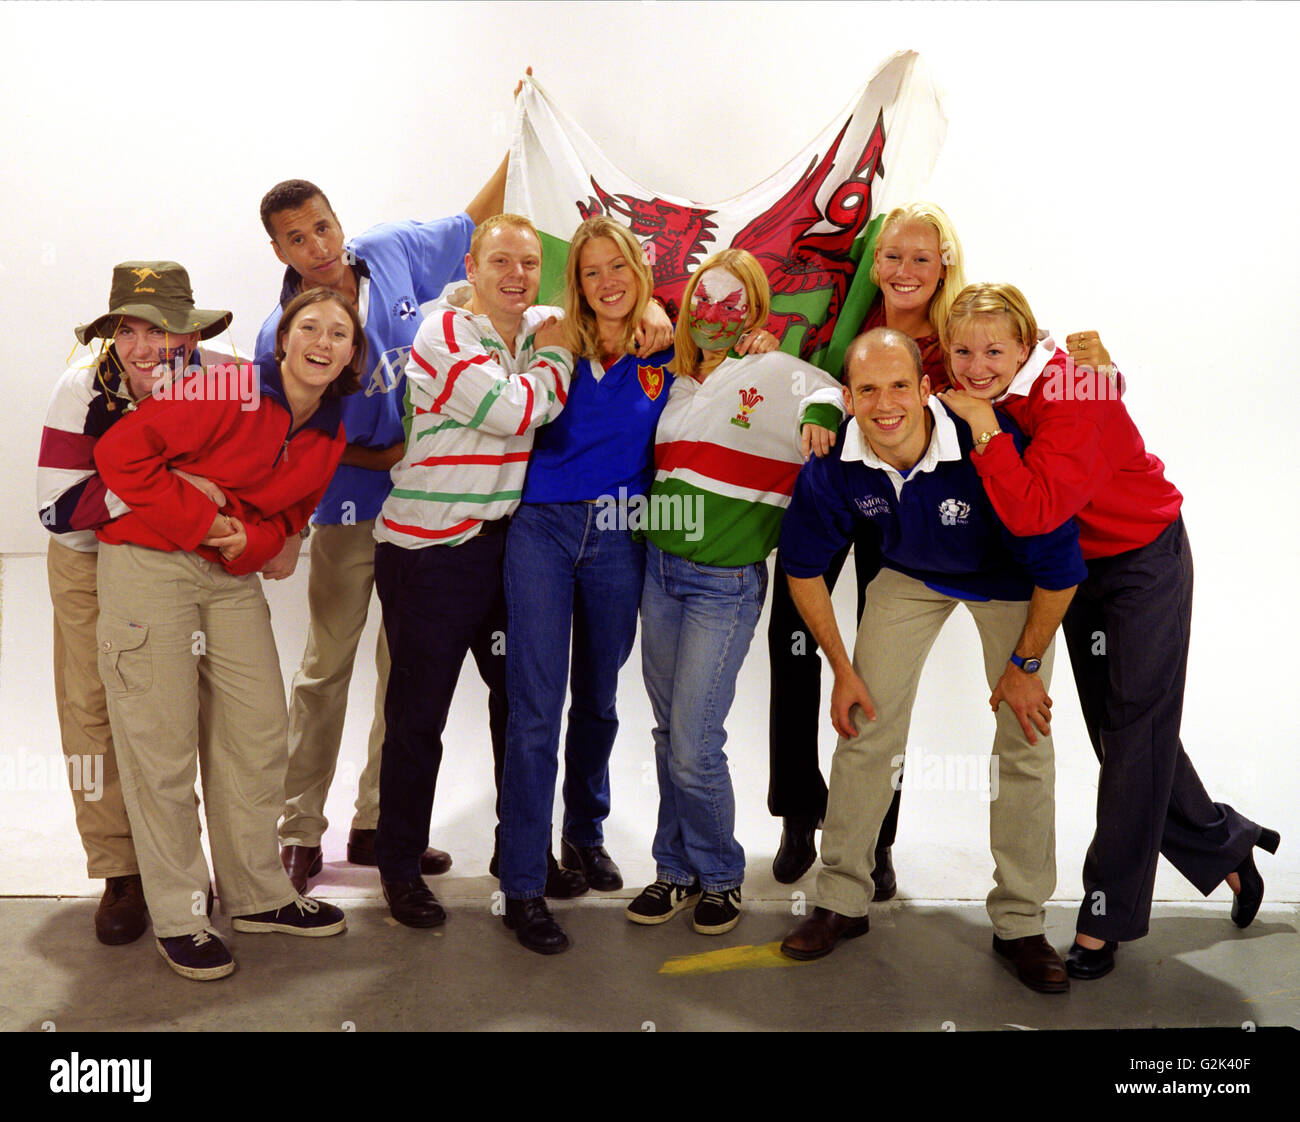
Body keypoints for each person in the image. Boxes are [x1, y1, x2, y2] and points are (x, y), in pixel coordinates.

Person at [939, 282, 1279, 980]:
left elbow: (1034, 508)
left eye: (994, 350)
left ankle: (1105, 919)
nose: (975, 366)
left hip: (1142, 559)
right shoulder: (1006, 387)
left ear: (1027, 346)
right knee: (1124, 733)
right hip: (1076, 570)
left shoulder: (1072, 392)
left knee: (1132, 737)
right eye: (962, 350)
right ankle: (1223, 843)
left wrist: (980, 424)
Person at [777, 328, 1087, 992]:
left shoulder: (991, 447)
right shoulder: (834, 465)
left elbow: (1060, 571)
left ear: (925, 389)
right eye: (867, 389)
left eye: (899, 386)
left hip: (1011, 580)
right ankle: (841, 899)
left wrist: (1025, 668)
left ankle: (1021, 923)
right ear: (848, 397)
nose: (884, 404)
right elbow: (803, 572)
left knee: (1025, 739)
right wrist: (843, 669)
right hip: (911, 574)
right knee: (864, 723)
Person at [92, 286, 361, 980]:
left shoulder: (332, 429)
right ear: (283, 338)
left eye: (340, 334)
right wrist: (210, 520)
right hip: (150, 561)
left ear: (352, 355)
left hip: (227, 572)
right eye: (310, 326)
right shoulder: (230, 386)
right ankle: (182, 914)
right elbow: (122, 455)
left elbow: (289, 527)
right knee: (163, 743)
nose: (322, 342)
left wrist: (246, 530)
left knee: (259, 726)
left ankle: (257, 894)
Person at [258, 156, 509, 892]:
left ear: (340, 219)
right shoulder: (283, 329)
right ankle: (299, 830)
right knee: (326, 667)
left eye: (322, 225)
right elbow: (286, 437)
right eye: (296, 238)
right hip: (343, 511)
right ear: (279, 253)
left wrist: (518, 120)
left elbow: (473, 218)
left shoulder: (392, 249)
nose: (317, 245)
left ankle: (377, 823)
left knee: (403, 674)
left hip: (423, 509)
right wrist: (383, 455)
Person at [370, 213, 577, 933]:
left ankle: (518, 852)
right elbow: (512, 410)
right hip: (428, 553)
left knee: (521, 709)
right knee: (417, 719)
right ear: (473, 265)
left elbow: (595, 310)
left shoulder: (538, 324)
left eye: (528, 262)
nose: (516, 274)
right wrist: (555, 361)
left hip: (502, 548)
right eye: (501, 262)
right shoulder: (445, 332)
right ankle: (397, 867)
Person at [628, 248, 842, 939]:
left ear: (755, 312)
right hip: (659, 574)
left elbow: (833, 390)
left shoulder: (772, 371)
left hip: (724, 584)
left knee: (694, 742)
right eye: (703, 301)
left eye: (732, 303)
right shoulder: (678, 381)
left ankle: (721, 876)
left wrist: (826, 417)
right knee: (669, 736)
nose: (715, 315)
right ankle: (674, 869)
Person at [767, 202, 968, 890]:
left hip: (905, 508)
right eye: (892, 257)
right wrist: (820, 403)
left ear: (943, 263)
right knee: (792, 641)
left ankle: (877, 836)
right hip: (831, 488)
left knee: (881, 675)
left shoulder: (956, 332)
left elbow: (1000, 380)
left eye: (921, 257)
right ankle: (798, 813)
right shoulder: (843, 316)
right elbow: (798, 374)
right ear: (873, 264)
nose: (905, 270)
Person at [37, 260, 237, 946]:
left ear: (192, 331)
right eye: (130, 329)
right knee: (93, 708)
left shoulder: (227, 377)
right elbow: (59, 509)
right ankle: (121, 869)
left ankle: (189, 861)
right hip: (91, 561)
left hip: (187, 555)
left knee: (193, 707)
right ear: (112, 334)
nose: (146, 346)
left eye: (162, 329)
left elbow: (242, 475)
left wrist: (180, 501)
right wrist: (163, 487)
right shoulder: (80, 388)